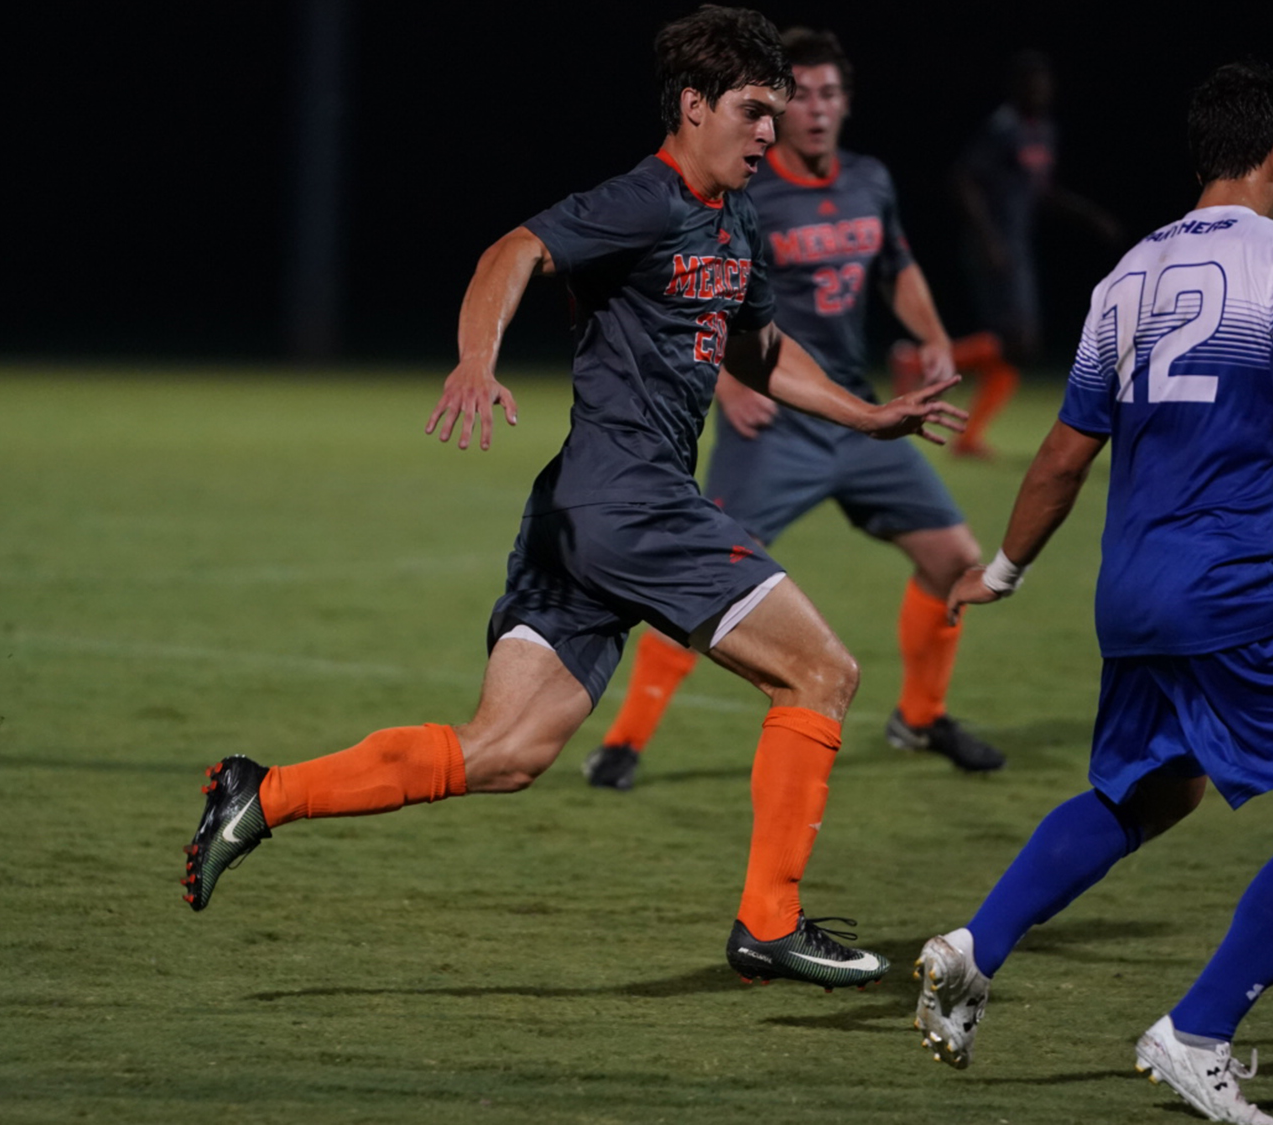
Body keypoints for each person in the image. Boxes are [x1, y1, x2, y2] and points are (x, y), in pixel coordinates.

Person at [183, 6, 965, 992]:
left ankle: (262, 793)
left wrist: (861, 415)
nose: (771, 131)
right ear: (691, 107)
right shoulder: (642, 199)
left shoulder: (736, 219)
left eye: (777, 112)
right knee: (820, 674)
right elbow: (509, 253)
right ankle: (769, 924)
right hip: (627, 500)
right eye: (753, 110)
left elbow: (754, 347)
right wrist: (476, 360)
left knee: (506, 751)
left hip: (582, 517)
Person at [911, 62, 1273, 1125]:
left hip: (1128, 591)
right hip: (1230, 588)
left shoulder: (1128, 271)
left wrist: (1001, 568)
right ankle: (1197, 1031)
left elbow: (1058, 455)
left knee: (1155, 788)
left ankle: (971, 948)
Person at [581, 26, 1003, 794]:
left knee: (954, 560)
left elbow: (897, 265)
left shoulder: (870, 179)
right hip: (775, 423)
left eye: (830, 94)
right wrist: (733, 383)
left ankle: (922, 714)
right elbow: (697, 292)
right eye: (800, 95)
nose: (814, 110)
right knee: (702, 575)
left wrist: (934, 333)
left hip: (859, 411)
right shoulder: (745, 188)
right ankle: (624, 739)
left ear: (847, 102)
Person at [950, 50, 1120, 458]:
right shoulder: (1002, 128)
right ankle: (927, 361)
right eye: (1033, 84)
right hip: (995, 243)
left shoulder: (1043, 131)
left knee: (1018, 346)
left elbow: (1041, 192)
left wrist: (1090, 215)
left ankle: (968, 435)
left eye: (1046, 84)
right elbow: (963, 180)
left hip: (1017, 244)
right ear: (1017, 88)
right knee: (1021, 341)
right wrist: (988, 237)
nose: (1042, 92)